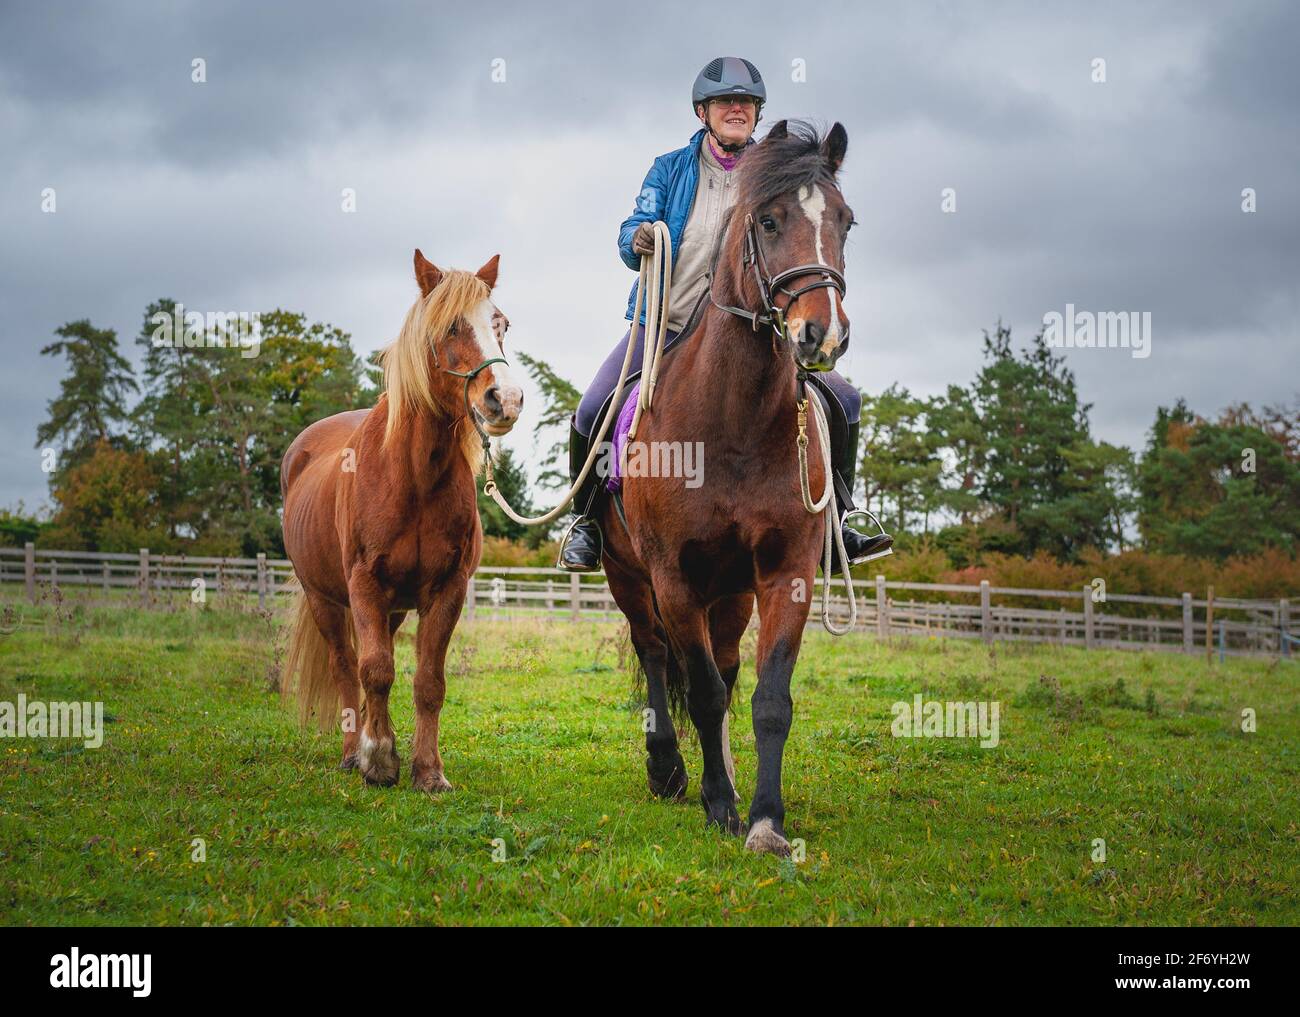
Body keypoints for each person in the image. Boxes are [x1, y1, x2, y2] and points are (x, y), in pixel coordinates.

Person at [557, 56, 893, 571]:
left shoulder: (774, 173)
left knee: (844, 400)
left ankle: (839, 521)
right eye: (725, 102)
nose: (736, 109)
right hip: (664, 325)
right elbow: (630, 231)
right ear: (703, 112)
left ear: (757, 115)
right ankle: (585, 524)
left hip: (752, 331)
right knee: (593, 406)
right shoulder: (669, 169)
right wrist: (640, 236)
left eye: (746, 103)